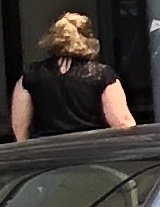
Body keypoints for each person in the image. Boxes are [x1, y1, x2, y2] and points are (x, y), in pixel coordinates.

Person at [11, 11, 133, 139]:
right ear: (88, 40)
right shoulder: (101, 74)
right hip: (91, 147)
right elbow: (121, 122)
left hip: (47, 148)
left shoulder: (31, 75)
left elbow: (19, 126)